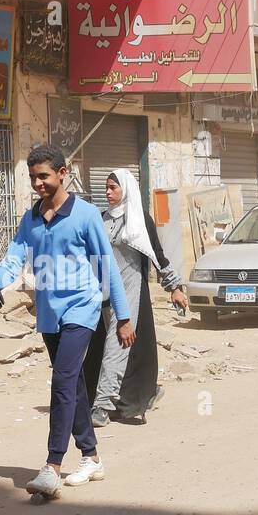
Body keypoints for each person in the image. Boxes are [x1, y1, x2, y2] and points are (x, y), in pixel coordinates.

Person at [0, 144, 135, 500]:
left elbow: (107, 268)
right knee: (72, 385)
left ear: (63, 173)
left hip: (82, 308)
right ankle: (91, 457)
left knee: (61, 380)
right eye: (32, 178)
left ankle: (52, 466)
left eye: (43, 176)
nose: (38, 183)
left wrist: (123, 317)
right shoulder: (30, 219)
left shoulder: (86, 215)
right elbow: (14, 261)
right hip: (49, 314)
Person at [84, 168, 187, 428]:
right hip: (101, 293)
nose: (107, 192)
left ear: (126, 190)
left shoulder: (140, 219)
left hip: (129, 291)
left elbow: (158, 255)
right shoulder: (100, 218)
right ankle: (134, 396)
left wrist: (174, 287)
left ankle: (103, 407)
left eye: (113, 188)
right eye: (106, 188)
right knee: (102, 349)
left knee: (116, 345)